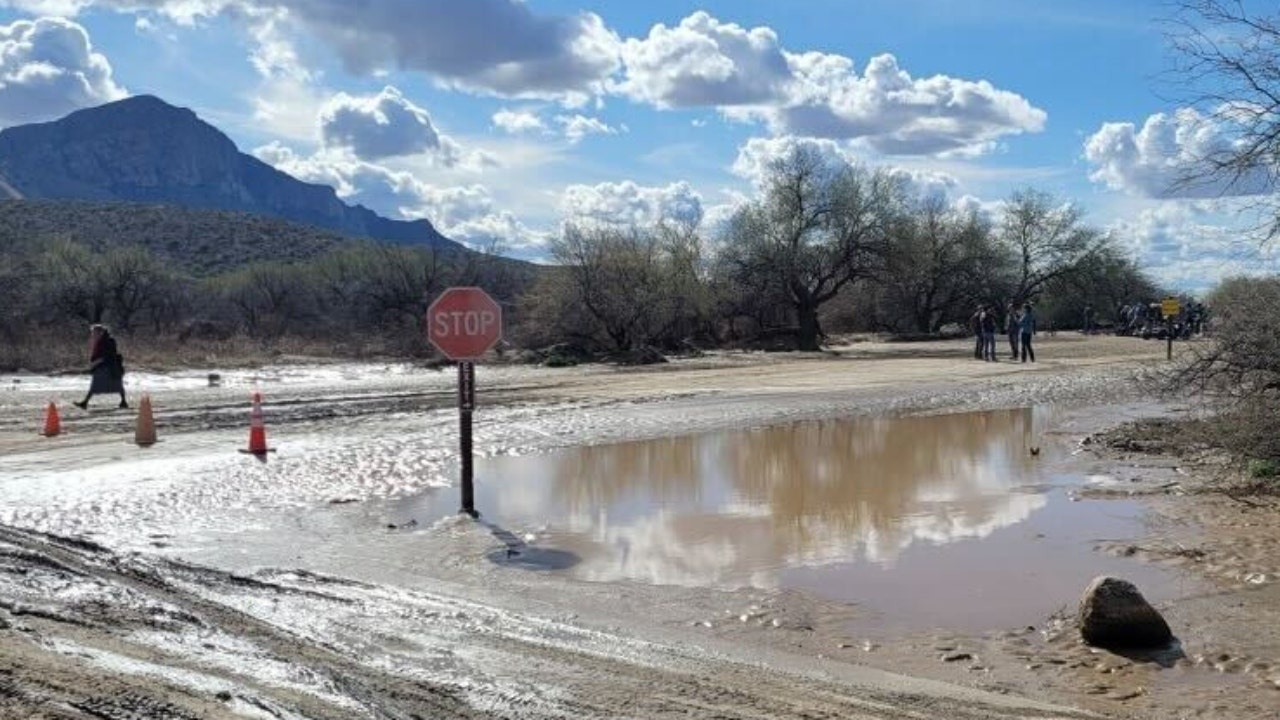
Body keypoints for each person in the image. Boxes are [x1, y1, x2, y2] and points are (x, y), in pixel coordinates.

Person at [74, 324, 127, 409]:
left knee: (114, 385)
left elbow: (110, 353)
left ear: (100, 332)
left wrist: (99, 361)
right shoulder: (100, 341)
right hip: (103, 365)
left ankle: (123, 401)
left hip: (108, 366)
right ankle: (85, 402)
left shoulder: (108, 340)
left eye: (94, 332)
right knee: (113, 385)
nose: (93, 334)